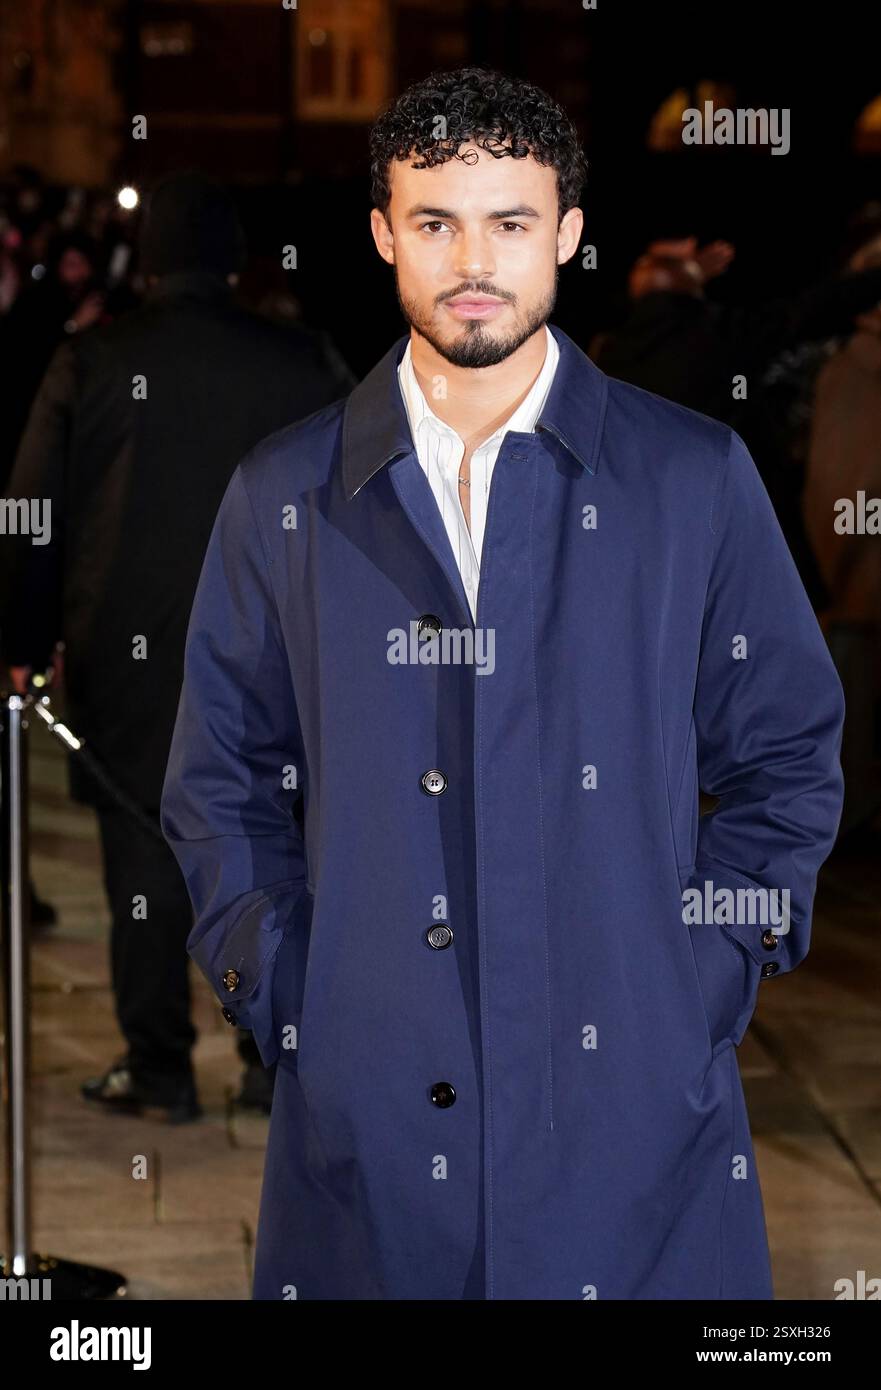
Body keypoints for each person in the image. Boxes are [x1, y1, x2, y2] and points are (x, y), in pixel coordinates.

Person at [161, 70, 845, 1299]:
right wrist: (290, 986)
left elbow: (785, 752)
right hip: (365, 1128)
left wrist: (703, 971)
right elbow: (220, 777)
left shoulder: (692, 479)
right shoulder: (282, 495)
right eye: (434, 221)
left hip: (633, 1127)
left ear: (569, 235)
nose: (471, 259)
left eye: (509, 222)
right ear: (382, 232)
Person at [0, 171, 355, 1122]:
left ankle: (158, 1065)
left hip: (128, 648)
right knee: (273, 845)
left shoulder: (92, 359)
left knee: (144, 855)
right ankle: (269, 1053)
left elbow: (30, 512)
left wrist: (24, 642)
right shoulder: (299, 356)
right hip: (276, 648)